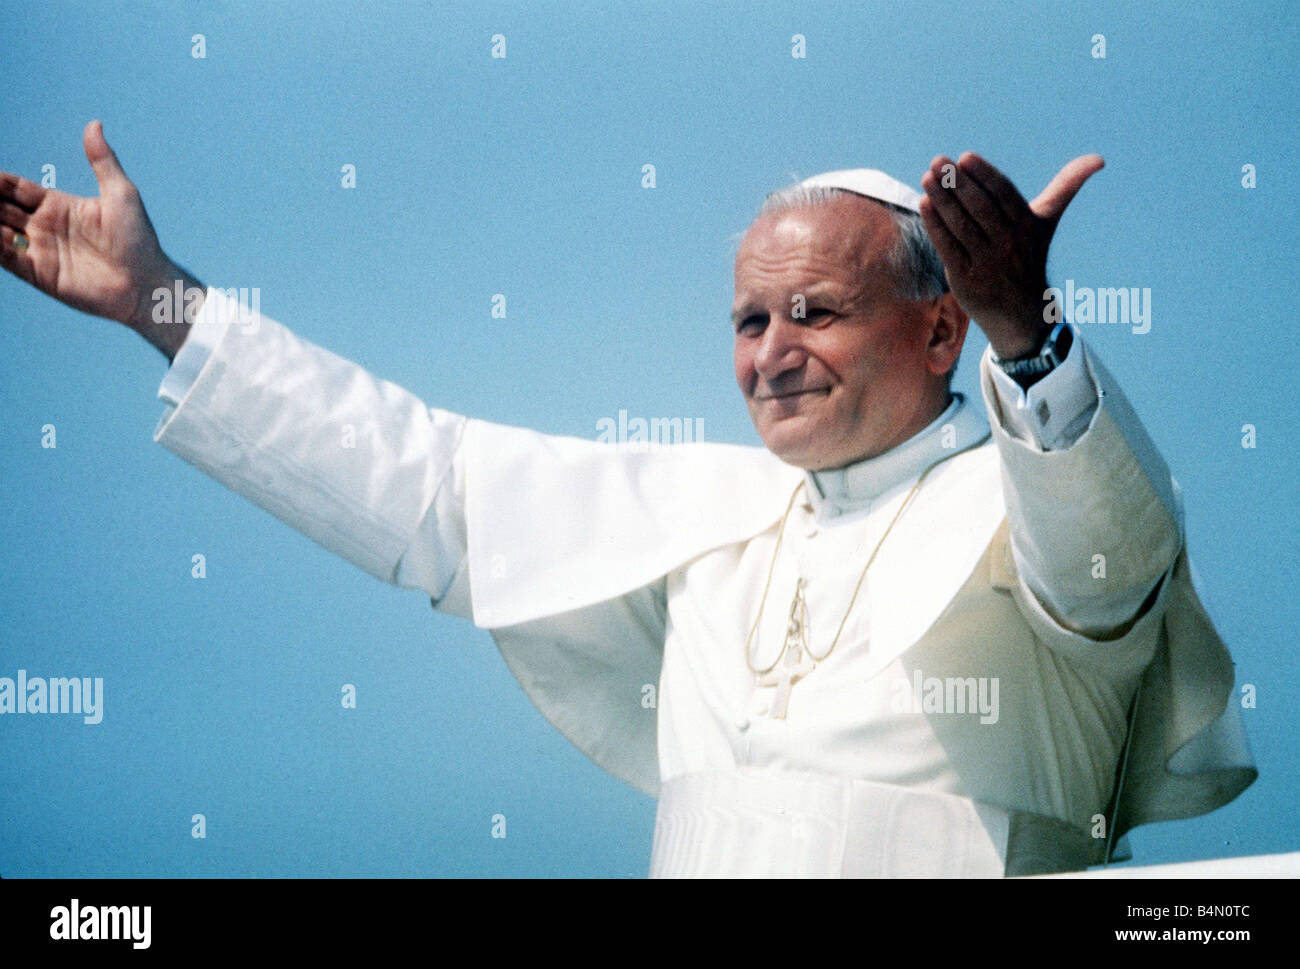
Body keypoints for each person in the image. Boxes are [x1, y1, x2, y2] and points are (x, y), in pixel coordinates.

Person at [0, 121, 1256, 877]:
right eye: (749, 319)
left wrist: (1030, 343)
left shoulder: (1033, 494)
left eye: (814, 312)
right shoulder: (698, 512)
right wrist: (156, 302)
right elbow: (410, 472)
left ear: (940, 332)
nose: (771, 352)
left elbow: (1105, 571)